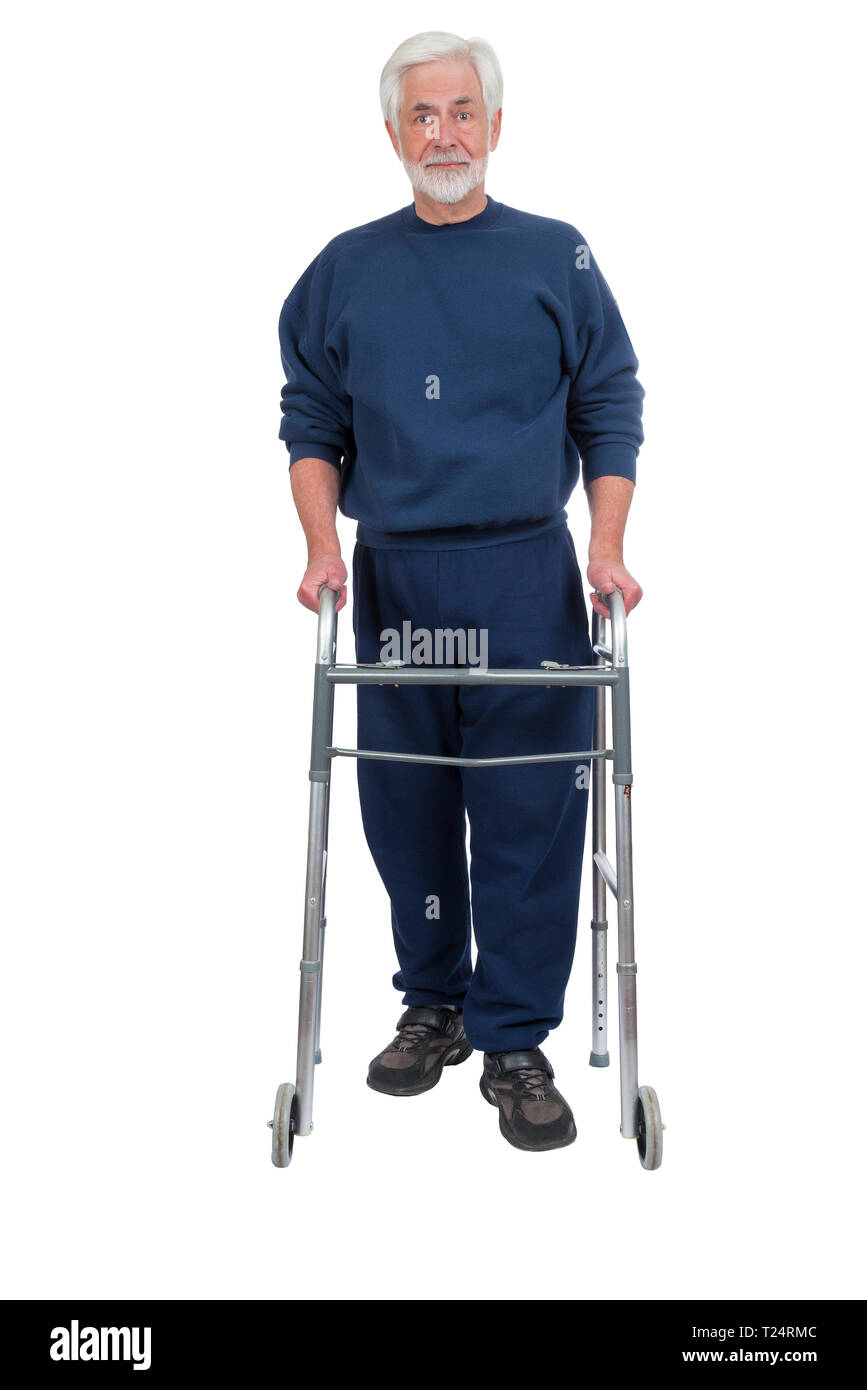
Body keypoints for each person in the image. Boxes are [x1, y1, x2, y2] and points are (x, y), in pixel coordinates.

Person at [277, 30, 644, 1152]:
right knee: (407, 803)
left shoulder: (557, 257)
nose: (445, 134)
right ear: (393, 134)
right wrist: (319, 549)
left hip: (527, 571)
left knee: (531, 812)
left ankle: (517, 1034)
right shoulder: (345, 267)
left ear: (495, 123)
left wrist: (607, 548)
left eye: (463, 111)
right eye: (422, 116)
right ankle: (431, 1002)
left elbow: (610, 408)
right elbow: (311, 426)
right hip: (395, 576)